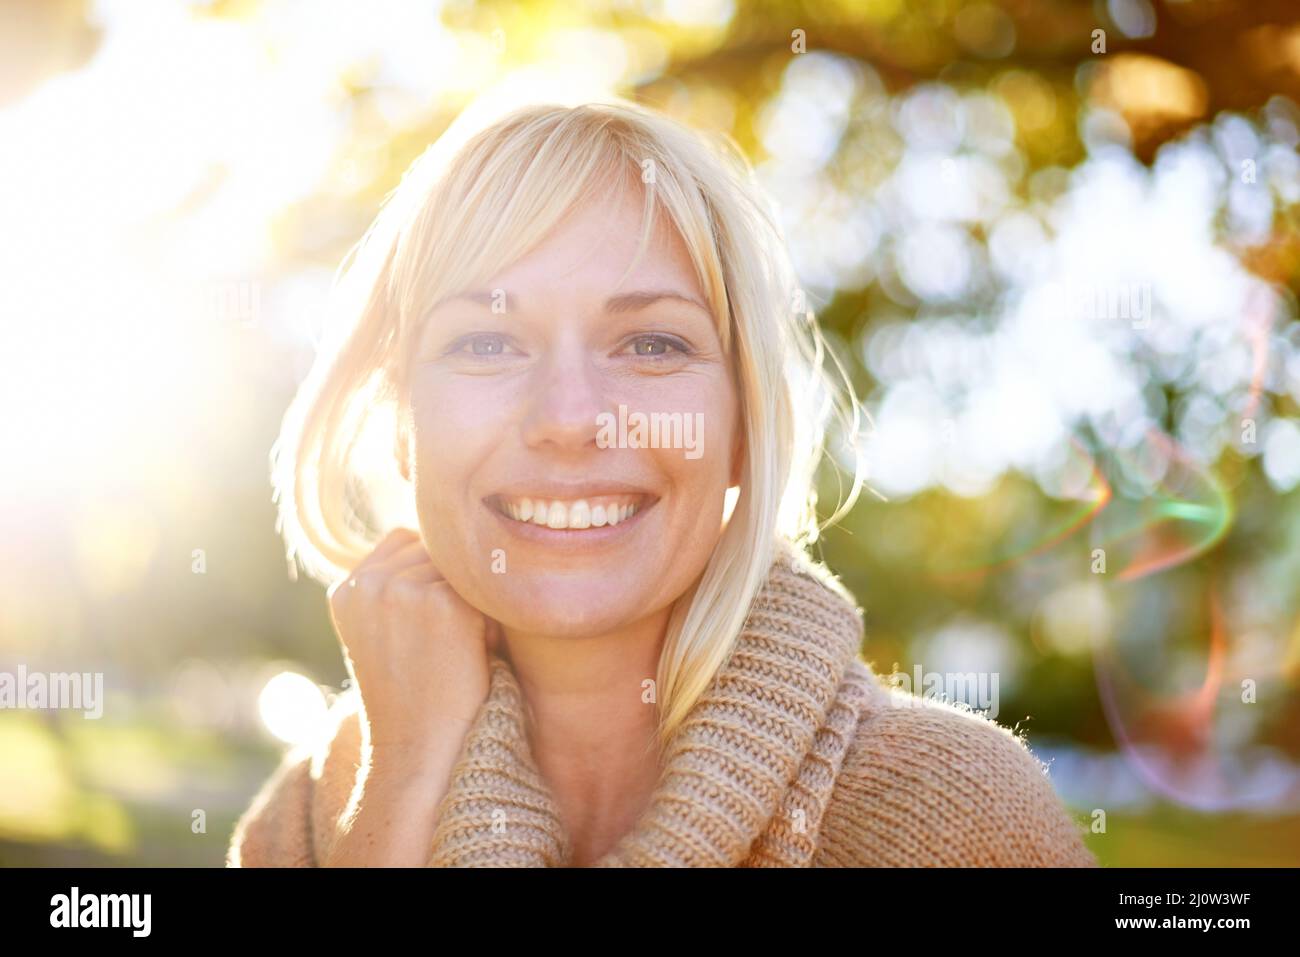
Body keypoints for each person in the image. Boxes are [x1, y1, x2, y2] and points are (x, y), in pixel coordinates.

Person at [226, 97, 1098, 867]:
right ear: (404, 426)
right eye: (486, 343)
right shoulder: (312, 808)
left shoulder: (952, 818)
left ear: (742, 427)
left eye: (651, 344)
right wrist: (406, 779)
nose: (570, 417)